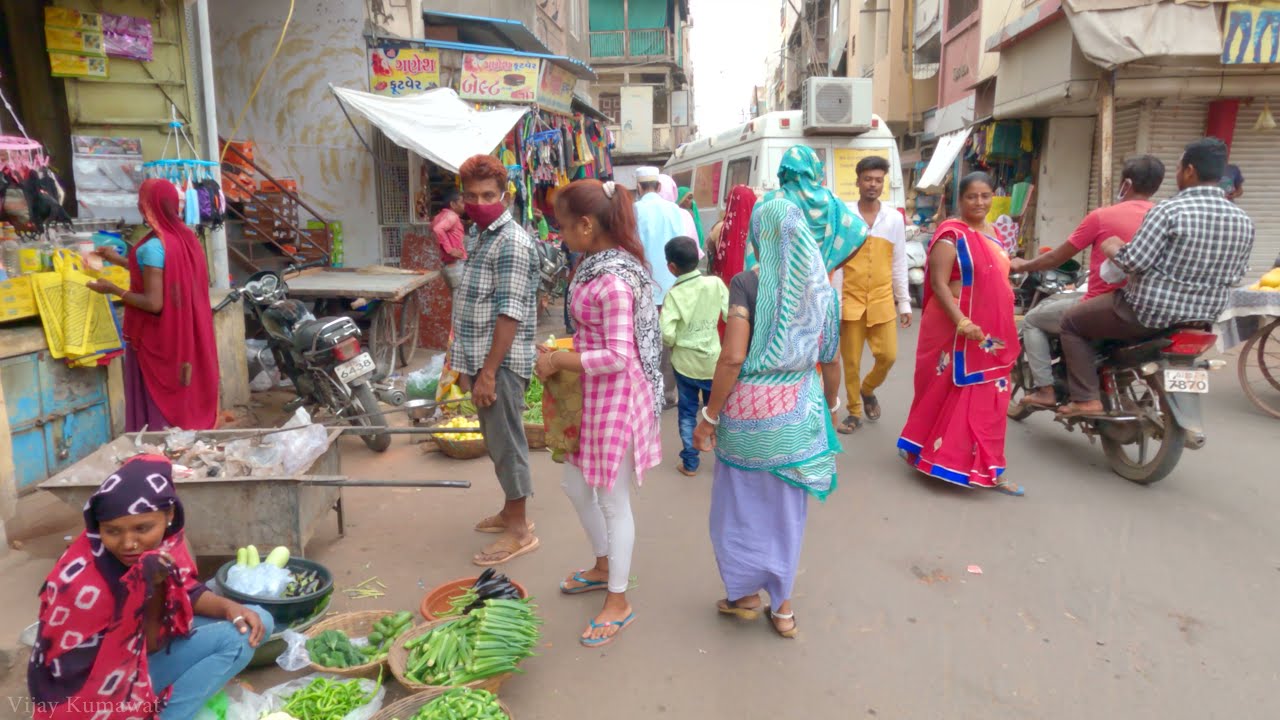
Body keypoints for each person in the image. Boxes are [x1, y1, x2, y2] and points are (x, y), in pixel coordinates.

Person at [693, 199, 843, 640]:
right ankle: (784, 608)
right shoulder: (823, 289)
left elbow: (734, 355)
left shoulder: (747, 283)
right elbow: (829, 359)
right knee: (786, 514)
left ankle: (743, 596)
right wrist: (829, 407)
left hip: (748, 416)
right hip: (801, 411)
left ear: (759, 236)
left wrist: (709, 416)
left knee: (737, 509)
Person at [28, 455, 271, 720]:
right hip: (101, 692)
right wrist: (151, 587)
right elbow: (150, 642)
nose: (128, 543)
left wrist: (230, 608)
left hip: (131, 654)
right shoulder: (89, 579)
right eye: (113, 531)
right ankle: (169, 714)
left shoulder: (165, 544)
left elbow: (186, 591)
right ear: (98, 526)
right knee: (237, 638)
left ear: (169, 514)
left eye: (142, 528)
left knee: (257, 618)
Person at [536, 179, 663, 648]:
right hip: (593, 395)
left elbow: (617, 356)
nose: (561, 235)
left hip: (619, 398)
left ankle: (618, 601)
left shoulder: (611, 279)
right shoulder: (596, 264)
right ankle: (604, 562)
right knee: (574, 484)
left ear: (587, 225)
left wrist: (557, 360)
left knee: (613, 501)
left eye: (565, 226)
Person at [1057, 138, 1255, 417]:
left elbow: (1133, 262)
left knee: (1071, 322)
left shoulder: (1168, 211)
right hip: (1202, 318)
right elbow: (1236, 275)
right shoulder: (1242, 219)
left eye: (1178, 168)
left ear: (1189, 170)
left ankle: (1086, 398)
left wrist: (1112, 246)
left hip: (1147, 312)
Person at [897, 172, 1024, 496]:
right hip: (956, 328)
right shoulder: (950, 235)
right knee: (947, 390)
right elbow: (939, 284)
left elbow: (996, 276)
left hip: (991, 330)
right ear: (960, 199)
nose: (979, 202)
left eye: (985, 196)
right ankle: (932, 453)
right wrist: (962, 322)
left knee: (993, 396)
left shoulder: (994, 233)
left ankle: (991, 467)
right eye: (972, 196)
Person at [1009, 155, 1165, 409]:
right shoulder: (1162, 218)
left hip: (1106, 305)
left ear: (1125, 184)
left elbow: (1058, 256)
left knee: (1032, 320)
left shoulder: (1102, 217)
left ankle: (1045, 389)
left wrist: (1022, 264)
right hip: (1147, 307)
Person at [452, 154, 542, 566]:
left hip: (501, 362)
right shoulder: (480, 234)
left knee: (507, 442)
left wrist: (488, 372)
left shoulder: (512, 242)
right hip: (481, 358)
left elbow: (510, 313)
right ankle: (510, 510)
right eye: (471, 195)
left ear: (504, 195)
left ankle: (520, 529)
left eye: (488, 194)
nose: (480, 201)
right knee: (496, 438)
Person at [88, 179, 218, 432]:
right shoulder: (184, 239)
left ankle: (158, 446)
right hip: (187, 334)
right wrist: (119, 260)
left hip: (159, 338)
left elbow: (153, 302)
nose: (140, 206)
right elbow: (164, 275)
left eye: (142, 202)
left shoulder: (153, 246)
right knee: (183, 393)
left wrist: (113, 289)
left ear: (149, 207)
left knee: (159, 395)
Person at [837, 156, 912, 434]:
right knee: (852, 362)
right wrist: (835, 302)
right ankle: (854, 411)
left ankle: (868, 389)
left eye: (878, 180)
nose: (873, 184)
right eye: (868, 179)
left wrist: (904, 301)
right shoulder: (844, 216)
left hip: (881, 300)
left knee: (888, 356)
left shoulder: (893, 218)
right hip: (851, 300)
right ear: (857, 181)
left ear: (884, 183)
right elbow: (837, 260)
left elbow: (899, 261)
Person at [660, 236, 729, 476]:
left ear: (671, 267)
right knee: (716, 409)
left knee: (687, 412)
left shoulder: (674, 295)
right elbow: (731, 315)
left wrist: (680, 341)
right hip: (713, 362)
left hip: (685, 365)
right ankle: (725, 459)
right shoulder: (715, 284)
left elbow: (667, 334)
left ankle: (690, 463)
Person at [754, 145, 868, 273]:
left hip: (776, 286)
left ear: (783, 171)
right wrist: (831, 265)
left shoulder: (766, 201)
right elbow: (860, 231)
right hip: (819, 288)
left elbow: (757, 248)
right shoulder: (830, 200)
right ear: (814, 169)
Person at [634, 166, 687, 406]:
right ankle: (667, 393)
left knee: (645, 339)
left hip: (645, 285)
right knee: (669, 341)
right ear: (658, 186)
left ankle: (647, 391)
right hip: (673, 283)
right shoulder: (674, 210)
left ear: (638, 187)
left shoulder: (635, 210)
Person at [432, 190, 468, 292]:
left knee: (456, 297)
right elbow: (438, 229)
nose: (465, 206)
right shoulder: (452, 216)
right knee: (459, 299)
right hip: (455, 263)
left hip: (447, 264)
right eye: (462, 202)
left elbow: (435, 230)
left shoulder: (438, 217)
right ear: (453, 204)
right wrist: (450, 249)